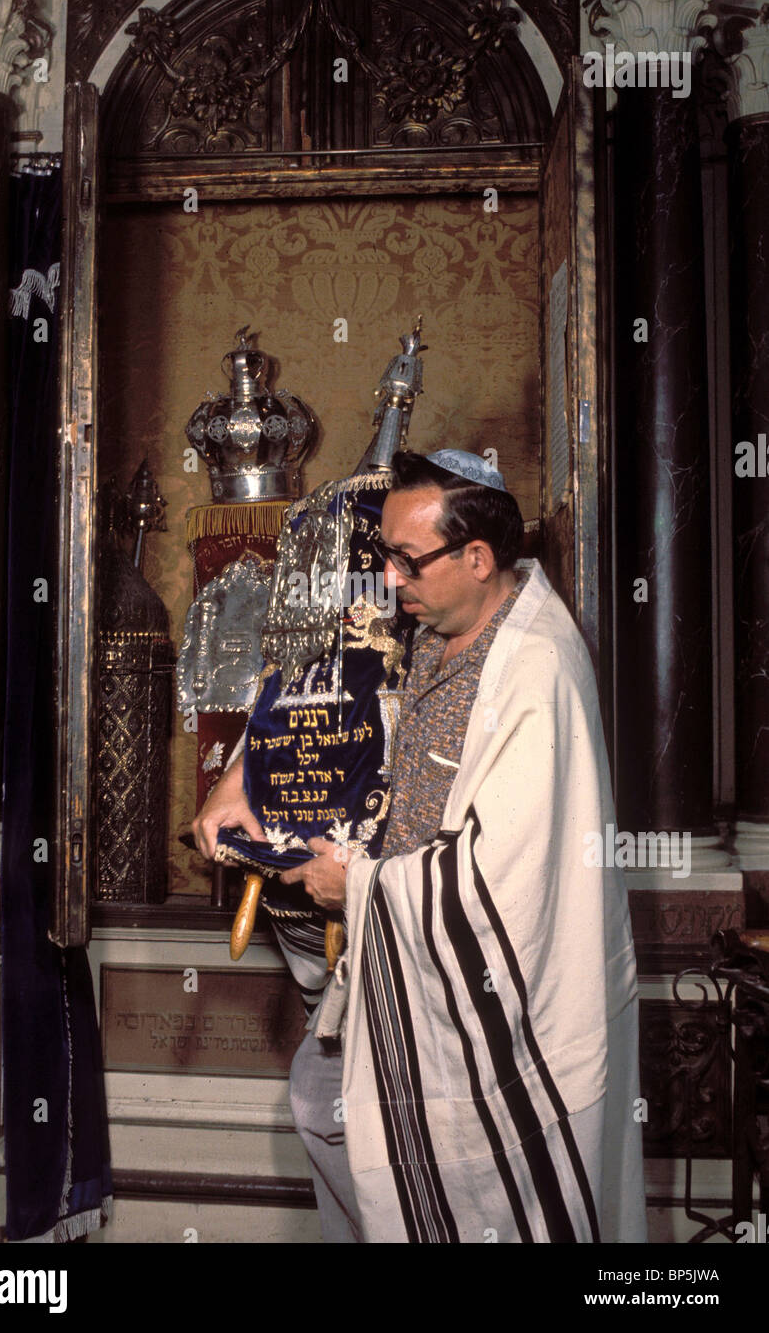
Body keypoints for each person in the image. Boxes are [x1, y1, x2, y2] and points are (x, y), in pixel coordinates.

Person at [195, 448, 647, 1244]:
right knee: (334, 1118)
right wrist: (241, 776)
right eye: (386, 561)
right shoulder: (439, 623)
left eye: (408, 561)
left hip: (476, 1005)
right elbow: (328, 699)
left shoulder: (532, 666)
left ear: (477, 557)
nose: (391, 584)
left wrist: (358, 887)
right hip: (394, 966)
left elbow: (502, 880)